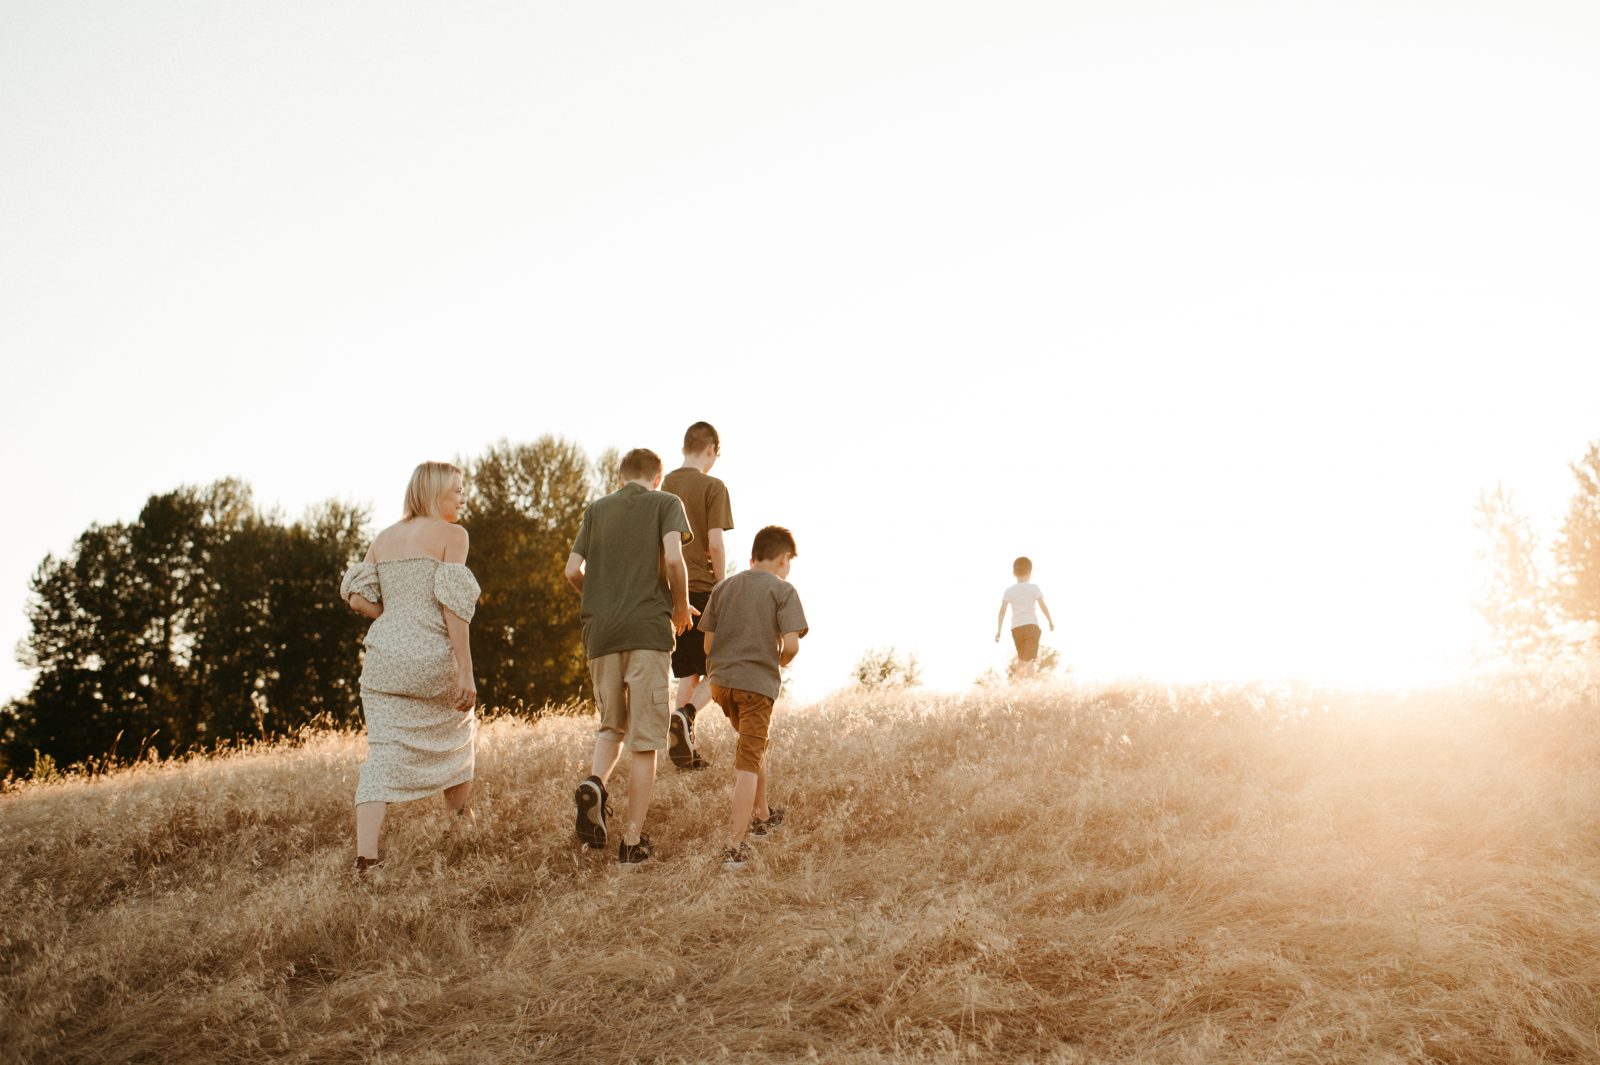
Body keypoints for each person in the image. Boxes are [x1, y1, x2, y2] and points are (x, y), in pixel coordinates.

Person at [339, 461, 481, 876]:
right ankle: (459, 830)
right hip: (431, 659)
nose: (463, 498)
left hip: (384, 663)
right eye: (458, 490)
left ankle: (366, 858)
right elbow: (454, 606)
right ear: (437, 492)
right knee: (457, 742)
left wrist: (392, 613)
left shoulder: (384, 538)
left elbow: (357, 598)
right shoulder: (454, 536)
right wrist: (466, 671)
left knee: (381, 758)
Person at [564, 448, 694, 865]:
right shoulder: (666, 502)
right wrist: (680, 607)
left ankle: (595, 783)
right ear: (658, 478)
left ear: (619, 478)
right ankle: (632, 841)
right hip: (647, 633)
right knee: (645, 741)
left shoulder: (596, 510)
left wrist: (600, 602)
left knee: (611, 727)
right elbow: (673, 557)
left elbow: (571, 571)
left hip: (601, 634)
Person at [699, 525, 808, 870]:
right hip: (756, 687)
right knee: (747, 761)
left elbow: (708, 645)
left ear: (753, 556)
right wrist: (778, 662)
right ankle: (734, 847)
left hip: (722, 686)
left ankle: (762, 815)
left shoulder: (723, 587)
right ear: (784, 558)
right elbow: (792, 645)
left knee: (753, 745)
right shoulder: (782, 589)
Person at [661, 421, 734, 771]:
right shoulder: (713, 486)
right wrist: (723, 586)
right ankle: (687, 713)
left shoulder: (664, 485)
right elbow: (715, 543)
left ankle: (684, 752)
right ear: (711, 449)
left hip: (671, 591)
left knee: (689, 671)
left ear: (684, 447)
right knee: (723, 664)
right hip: (704, 588)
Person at [995, 555, 1054, 679]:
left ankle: (1019, 683)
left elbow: (1002, 611)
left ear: (1014, 573)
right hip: (1031, 626)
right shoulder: (1034, 588)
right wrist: (1050, 620)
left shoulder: (1009, 591)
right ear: (1030, 572)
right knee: (1031, 659)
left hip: (1016, 628)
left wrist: (999, 631)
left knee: (1022, 658)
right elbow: (1042, 605)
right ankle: (1029, 684)